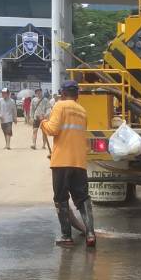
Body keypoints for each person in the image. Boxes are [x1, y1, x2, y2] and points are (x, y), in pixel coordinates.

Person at [40, 79, 94, 248]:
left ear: (63, 94)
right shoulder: (82, 111)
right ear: (77, 95)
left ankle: (66, 237)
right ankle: (90, 234)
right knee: (83, 198)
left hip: (62, 162)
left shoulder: (60, 106)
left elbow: (53, 129)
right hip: (79, 163)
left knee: (61, 198)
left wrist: (43, 123)